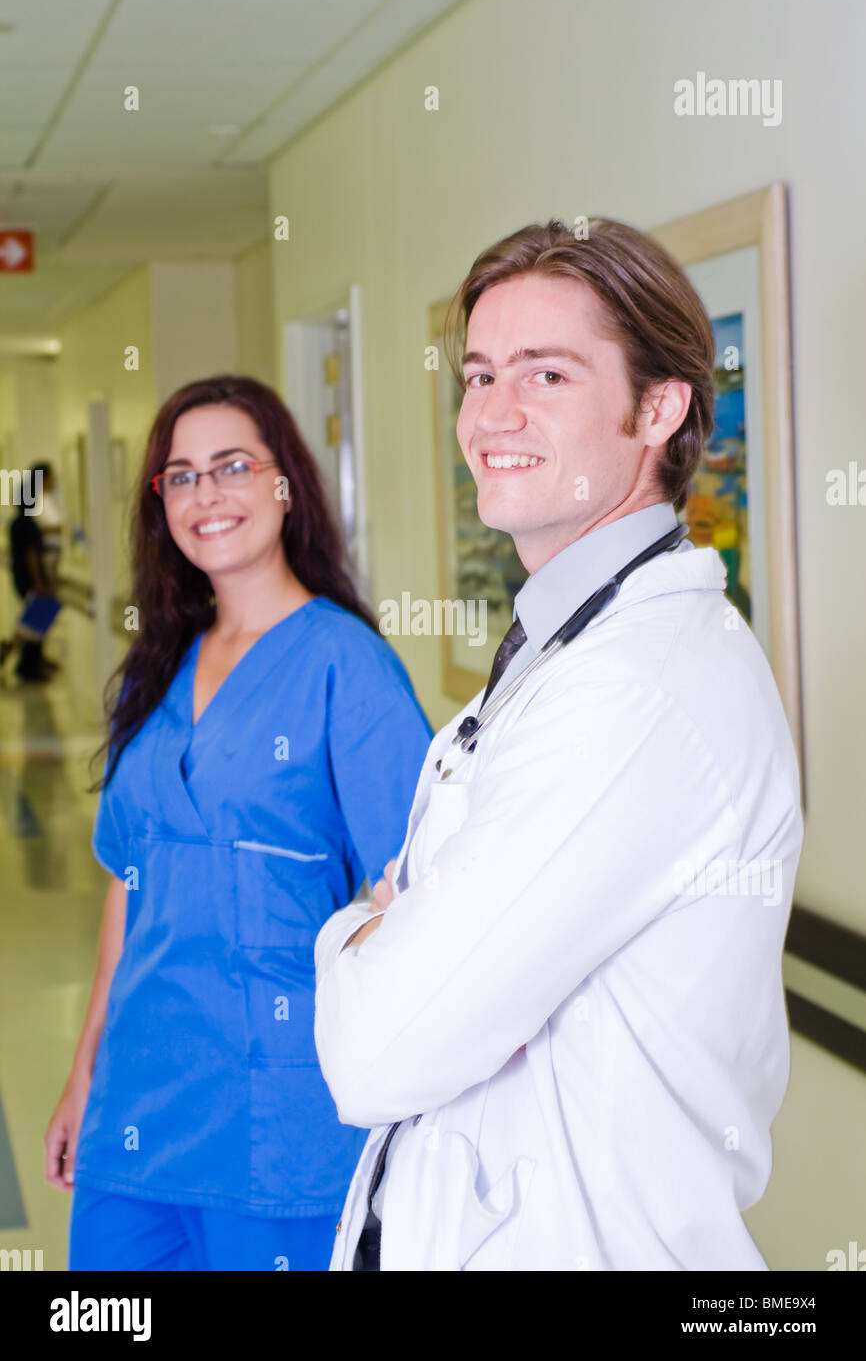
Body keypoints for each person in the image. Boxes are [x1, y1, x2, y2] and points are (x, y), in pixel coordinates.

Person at [314, 219, 804, 1271]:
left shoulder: (635, 688)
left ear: (656, 407)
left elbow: (375, 1053)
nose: (492, 413)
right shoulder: (566, 645)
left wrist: (354, 930)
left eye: (546, 374)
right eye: (479, 374)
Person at [45, 375, 432, 1271]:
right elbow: (127, 885)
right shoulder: (158, 665)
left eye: (231, 467)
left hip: (282, 1123)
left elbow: (416, 894)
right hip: (137, 1110)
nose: (205, 495)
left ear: (285, 484)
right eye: (179, 477)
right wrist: (83, 1074)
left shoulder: (348, 668)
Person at [2, 462, 62, 681]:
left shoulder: (19, 522)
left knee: (32, 619)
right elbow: (31, 555)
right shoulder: (26, 524)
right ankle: (27, 666)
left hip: (23, 575)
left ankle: (26, 661)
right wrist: (39, 581)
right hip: (29, 577)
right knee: (34, 620)